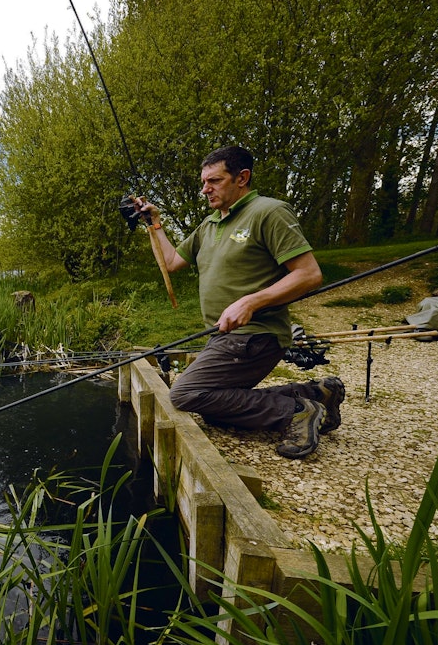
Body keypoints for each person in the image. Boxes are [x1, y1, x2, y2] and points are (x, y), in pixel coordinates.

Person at [134, 145, 344, 459]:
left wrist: (251, 302)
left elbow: (309, 274)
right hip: (224, 338)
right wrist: (153, 223)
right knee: (216, 407)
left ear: (242, 178)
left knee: (186, 393)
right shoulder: (210, 225)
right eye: (204, 182)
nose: (205, 189)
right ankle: (315, 394)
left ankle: (296, 412)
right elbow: (171, 262)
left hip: (255, 336)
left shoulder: (268, 212)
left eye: (214, 181)